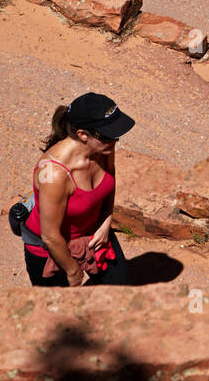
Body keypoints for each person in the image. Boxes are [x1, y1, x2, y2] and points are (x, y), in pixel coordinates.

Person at [21, 92, 135, 287]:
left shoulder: (103, 148)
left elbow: (110, 179)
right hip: (53, 250)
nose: (115, 140)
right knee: (61, 314)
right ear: (82, 134)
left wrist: (106, 221)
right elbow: (50, 235)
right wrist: (73, 271)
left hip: (95, 235)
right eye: (109, 135)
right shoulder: (53, 173)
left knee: (120, 295)